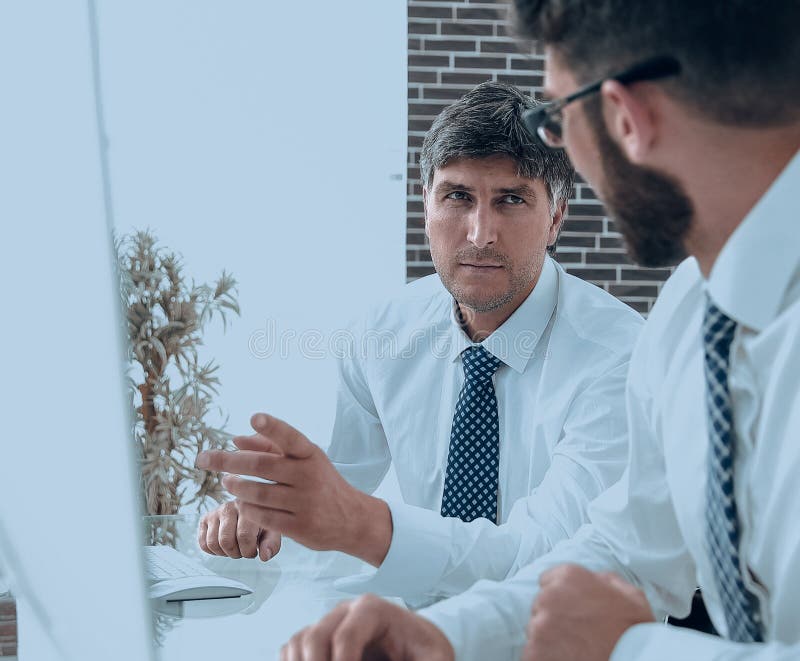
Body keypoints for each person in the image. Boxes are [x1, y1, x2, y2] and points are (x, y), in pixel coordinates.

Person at [279, 0, 800, 659]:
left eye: (556, 118)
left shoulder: (626, 342)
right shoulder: (687, 311)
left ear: (626, 117)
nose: (481, 233)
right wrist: (448, 633)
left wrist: (635, 650)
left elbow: (602, 598)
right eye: (457, 197)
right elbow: (626, 548)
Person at [195, 81, 643, 604]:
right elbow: (336, 488)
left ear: (556, 219)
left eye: (511, 200)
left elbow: (547, 556)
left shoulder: (622, 357)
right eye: (458, 197)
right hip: (424, 629)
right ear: (425, 204)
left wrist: (362, 525)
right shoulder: (381, 334)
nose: (480, 234)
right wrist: (269, 515)